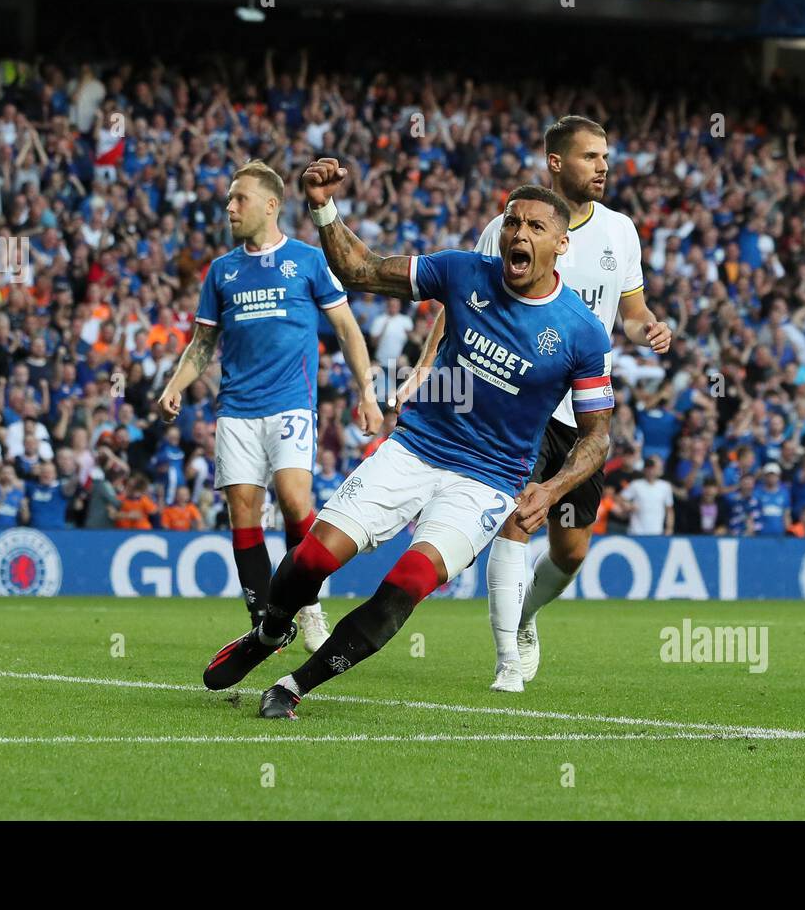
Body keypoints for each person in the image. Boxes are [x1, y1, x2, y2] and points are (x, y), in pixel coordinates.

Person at [203, 163, 614, 720]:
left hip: (488, 481)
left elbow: (598, 438)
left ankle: (295, 685)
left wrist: (553, 486)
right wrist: (324, 207)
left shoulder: (582, 332)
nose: (520, 234)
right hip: (416, 448)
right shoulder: (464, 272)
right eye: (513, 223)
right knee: (314, 557)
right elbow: (361, 269)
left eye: (536, 228)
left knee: (408, 583)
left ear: (561, 243)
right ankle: (271, 629)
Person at [403, 115, 671, 691]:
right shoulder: (508, 229)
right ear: (556, 162)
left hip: (583, 411)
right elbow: (457, 305)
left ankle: (526, 617)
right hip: (518, 403)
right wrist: (423, 370)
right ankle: (506, 663)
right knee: (516, 523)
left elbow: (630, 310)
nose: (604, 166)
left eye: (605, 156)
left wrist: (648, 326)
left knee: (572, 551)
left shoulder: (621, 231)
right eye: (591, 157)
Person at [156, 160, 383, 652]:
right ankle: (264, 622)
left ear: (271, 205)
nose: (229, 206)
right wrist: (176, 383)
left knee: (295, 499)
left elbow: (346, 328)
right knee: (243, 511)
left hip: (291, 404)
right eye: (229, 198)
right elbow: (202, 343)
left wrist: (367, 391)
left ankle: (310, 606)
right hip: (235, 408)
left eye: (239, 198)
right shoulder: (222, 271)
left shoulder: (306, 260)